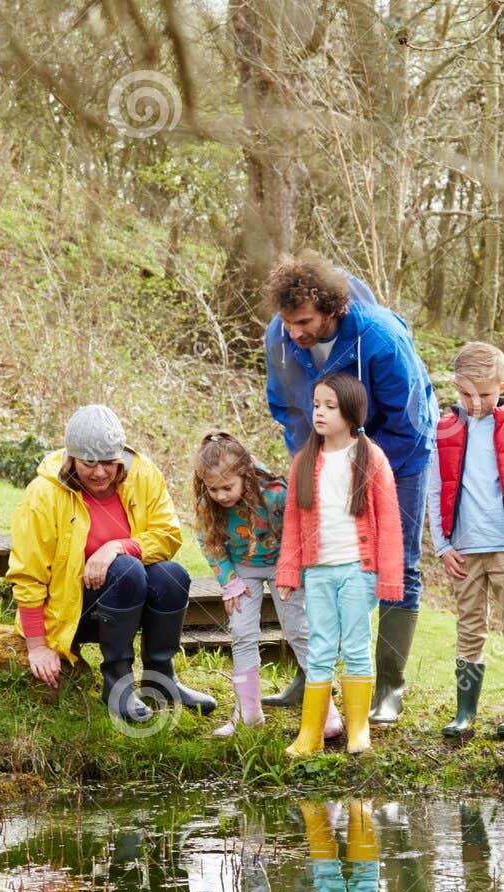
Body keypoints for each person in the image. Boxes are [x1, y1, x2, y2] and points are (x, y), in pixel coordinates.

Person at [262, 251, 436, 726]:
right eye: (286, 320)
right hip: (322, 455)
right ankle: (312, 676)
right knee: (318, 556)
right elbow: (286, 407)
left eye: (303, 321)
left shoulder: (380, 337)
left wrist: (363, 470)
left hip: (399, 454)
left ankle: (388, 686)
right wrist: (315, 463)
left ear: (332, 309)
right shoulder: (279, 338)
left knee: (395, 561)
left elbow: (411, 421)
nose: (294, 331)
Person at [6, 404, 216, 724]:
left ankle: (161, 678)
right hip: (74, 611)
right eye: (89, 462)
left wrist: (117, 546)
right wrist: (37, 646)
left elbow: (168, 535)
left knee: (172, 575)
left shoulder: (142, 474)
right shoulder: (43, 494)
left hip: (127, 603)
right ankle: (117, 684)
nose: (100, 472)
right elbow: (27, 574)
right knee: (127, 570)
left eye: (109, 461)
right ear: (72, 457)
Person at [426, 341, 504, 739]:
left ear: (503, 385)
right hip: (464, 550)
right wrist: (442, 546)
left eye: (485, 393)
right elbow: (434, 490)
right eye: (466, 393)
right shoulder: (444, 430)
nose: (475, 402)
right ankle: (465, 712)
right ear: (455, 387)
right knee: (469, 628)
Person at [276, 372, 404, 756]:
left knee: (355, 645)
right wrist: (288, 571)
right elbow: (293, 525)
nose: (320, 413)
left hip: (357, 571)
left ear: (351, 413)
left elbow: (391, 521)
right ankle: (310, 733)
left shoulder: (371, 458)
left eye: (330, 407)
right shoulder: (304, 462)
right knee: (319, 647)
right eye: (316, 405)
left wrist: (389, 578)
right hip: (318, 572)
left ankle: (358, 730)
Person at [190, 429, 341, 739]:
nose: (221, 495)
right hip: (241, 569)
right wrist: (228, 580)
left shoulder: (275, 493)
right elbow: (208, 541)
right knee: (242, 633)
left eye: (227, 487)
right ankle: (248, 713)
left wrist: (289, 572)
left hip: (283, 564)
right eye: (214, 489)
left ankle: (326, 711)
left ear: (245, 474)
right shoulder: (209, 501)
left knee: (299, 630)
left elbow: (298, 532)